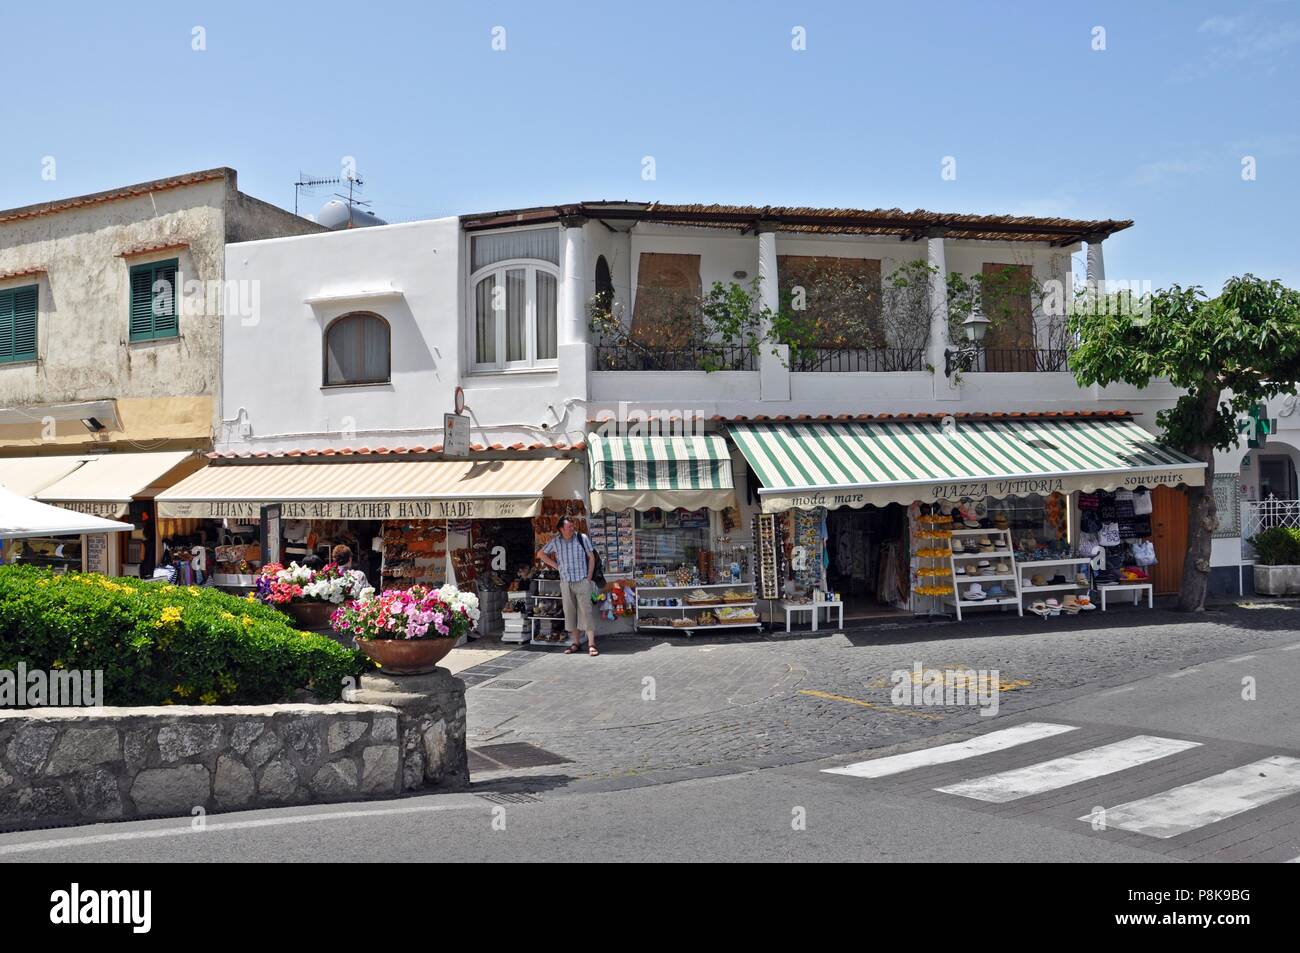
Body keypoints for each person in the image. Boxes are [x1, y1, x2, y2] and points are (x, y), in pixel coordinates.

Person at [535, 516, 598, 656]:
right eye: (569, 527)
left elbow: (591, 558)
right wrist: (557, 566)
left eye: (572, 526)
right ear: (561, 529)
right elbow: (540, 554)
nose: (572, 528)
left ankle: (591, 644)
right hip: (565, 581)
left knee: (586, 612)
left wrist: (588, 578)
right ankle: (575, 643)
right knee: (570, 613)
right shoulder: (556, 541)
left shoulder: (582, 538)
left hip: (582, 580)